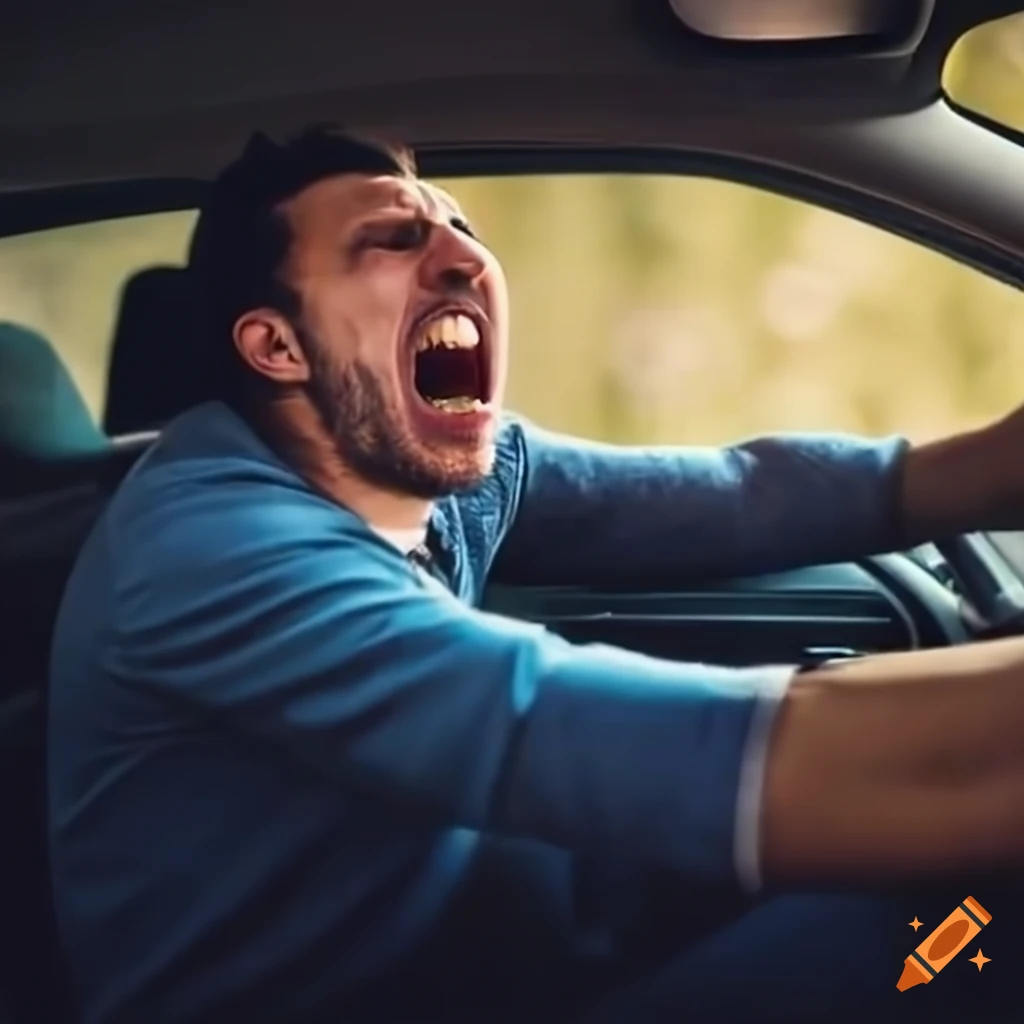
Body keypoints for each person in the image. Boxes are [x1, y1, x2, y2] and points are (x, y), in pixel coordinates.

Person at [47, 126, 1024, 1024]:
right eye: (389, 240)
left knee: (952, 907)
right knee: (959, 937)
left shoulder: (430, 467)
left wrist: (989, 464)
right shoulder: (210, 549)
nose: (467, 257)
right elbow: (548, 722)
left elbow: (728, 495)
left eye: (460, 229)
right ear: (277, 344)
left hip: (493, 949)